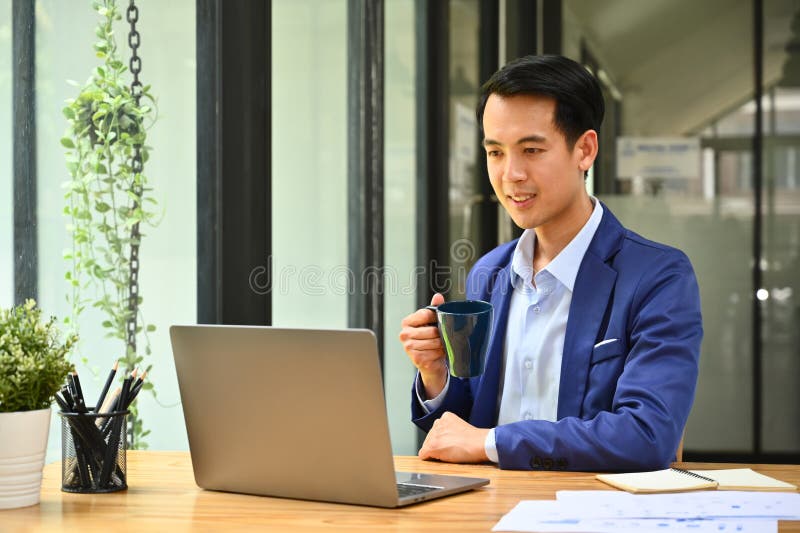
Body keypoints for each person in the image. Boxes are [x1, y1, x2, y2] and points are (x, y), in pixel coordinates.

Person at [398, 55, 703, 471]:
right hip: (490, 511)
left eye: (531, 150)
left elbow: (646, 435)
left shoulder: (657, 277)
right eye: (495, 153)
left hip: (593, 512)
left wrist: (494, 442)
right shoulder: (490, 274)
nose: (511, 175)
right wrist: (436, 375)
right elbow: (464, 431)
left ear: (585, 150)